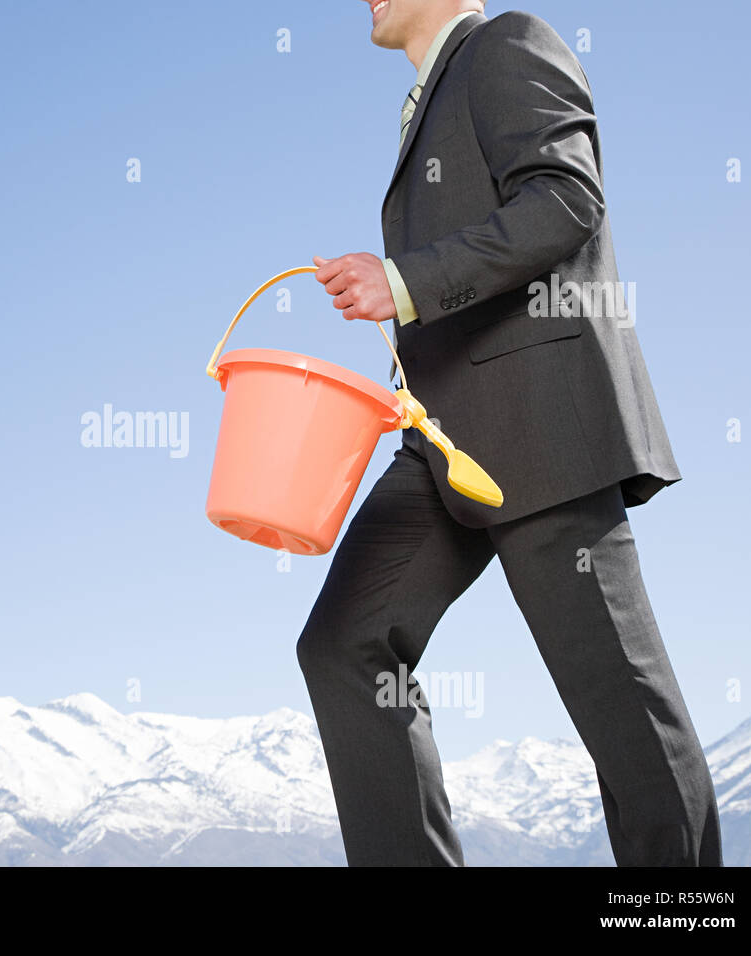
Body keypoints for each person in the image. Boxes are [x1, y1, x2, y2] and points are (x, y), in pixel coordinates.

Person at [297, 0, 722, 866]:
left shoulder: (507, 44)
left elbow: (567, 199)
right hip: (443, 441)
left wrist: (404, 282)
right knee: (345, 643)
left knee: (621, 708)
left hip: (541, 423)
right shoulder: (428, 99)